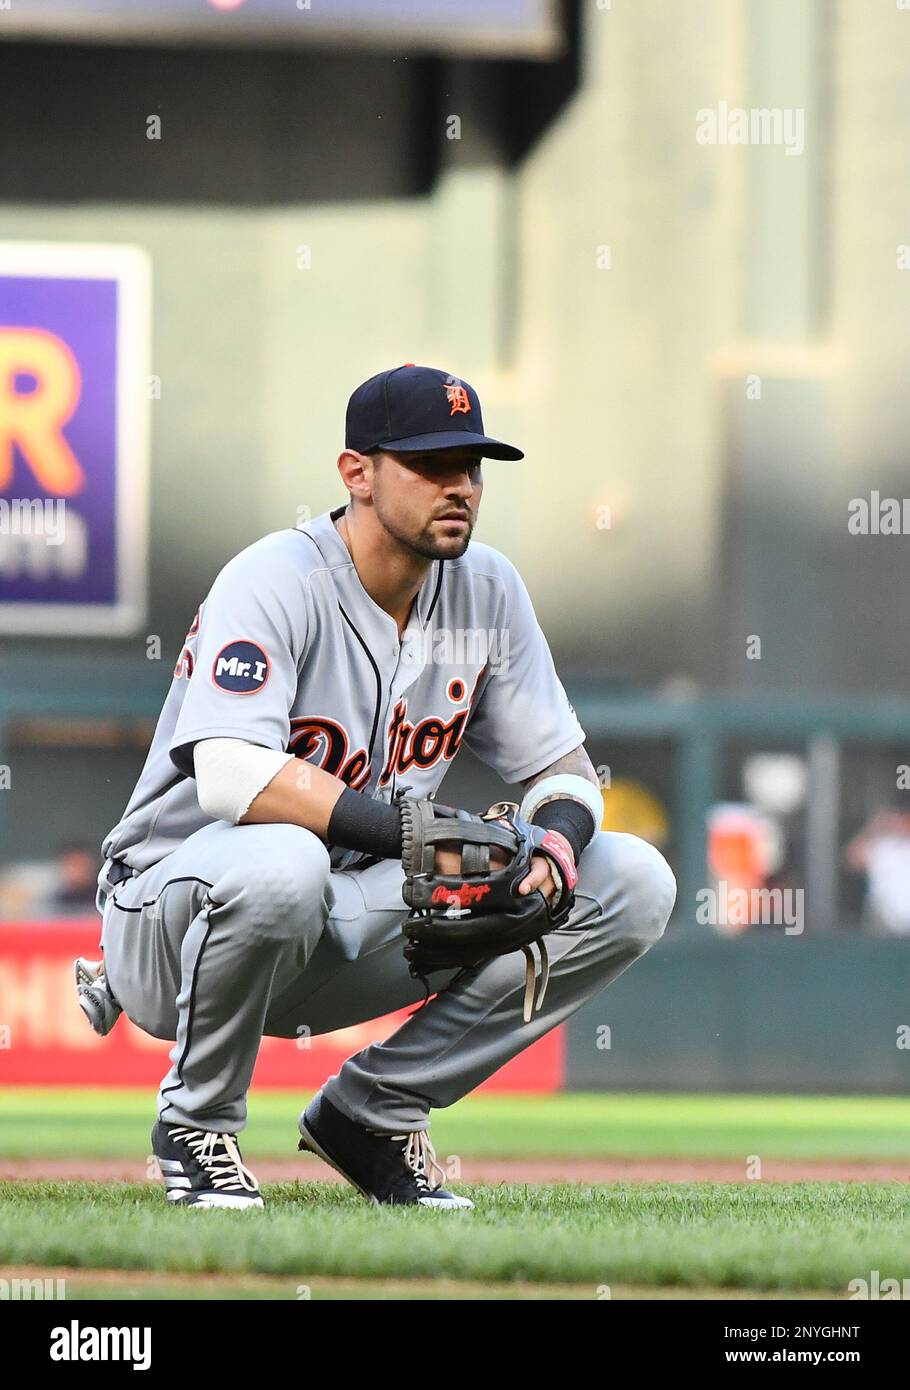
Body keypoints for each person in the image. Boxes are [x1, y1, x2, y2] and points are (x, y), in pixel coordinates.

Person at [90, 364, 676, 1210]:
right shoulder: (275, 578)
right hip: (170, 918)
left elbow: (567, 775)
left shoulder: (488, 591)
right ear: (355, 474)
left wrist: (552, 847)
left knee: (630, 880)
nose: (461, 488)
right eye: (431, 466)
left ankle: (374, 1111)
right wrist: (408, 834)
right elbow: (226, 772)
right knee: (282, 862)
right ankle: (197, 1126)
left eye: (472, 468)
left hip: (340, 915)